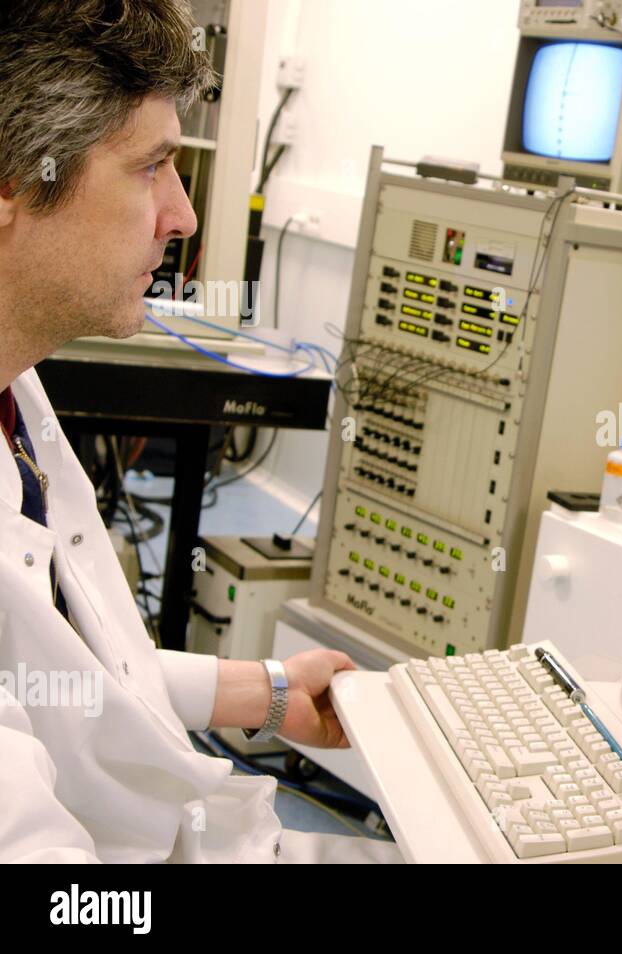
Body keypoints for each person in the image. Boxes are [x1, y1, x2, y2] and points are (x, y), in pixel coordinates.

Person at [0, 0, 400, 862]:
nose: (181, 216)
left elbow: (45, 666)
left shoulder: (14, 386)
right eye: (152, 168)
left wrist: (263, 690)